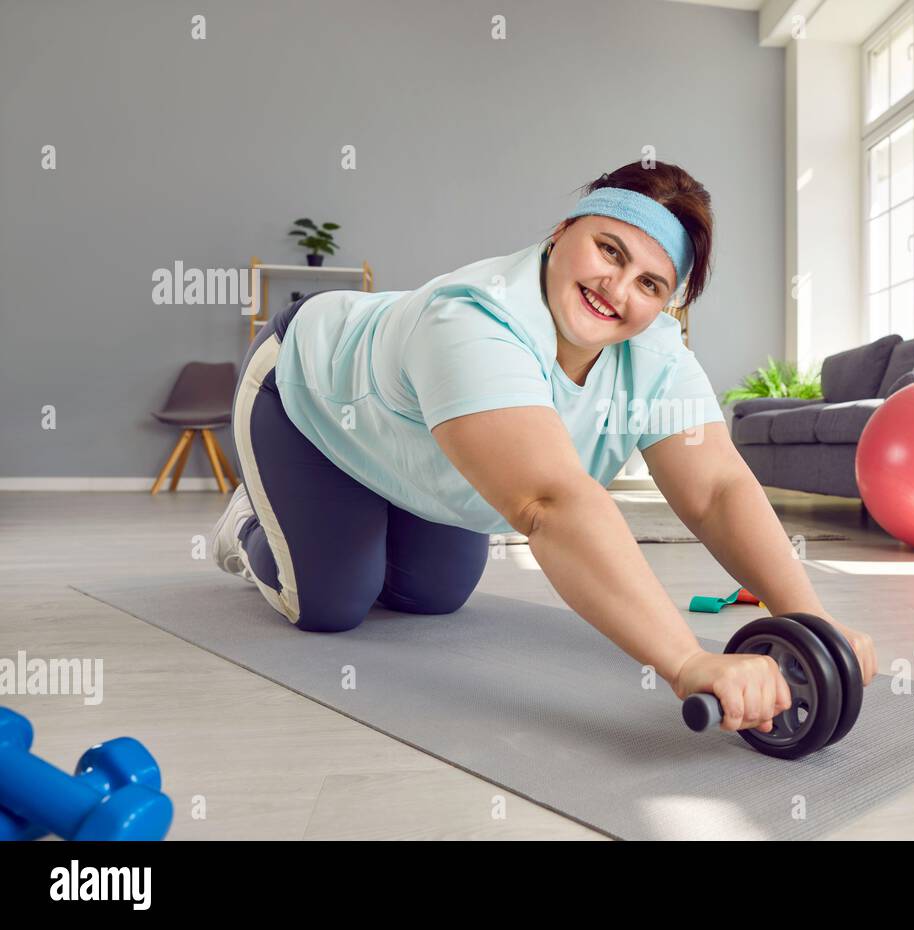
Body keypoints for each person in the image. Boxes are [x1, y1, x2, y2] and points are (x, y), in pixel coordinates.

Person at [210, 161, 876, 736]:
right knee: (330, 607)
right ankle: (249, 522)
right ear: (562, 233)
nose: (617, 290)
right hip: (308, 400)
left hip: (418, 449)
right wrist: (688, 662)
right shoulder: (473, 320)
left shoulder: (655, 354)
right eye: (610, 251)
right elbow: (549, 502)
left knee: (432, 598)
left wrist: (813, 624)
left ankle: (354, 518)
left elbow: (717, 491)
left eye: (650, 283)